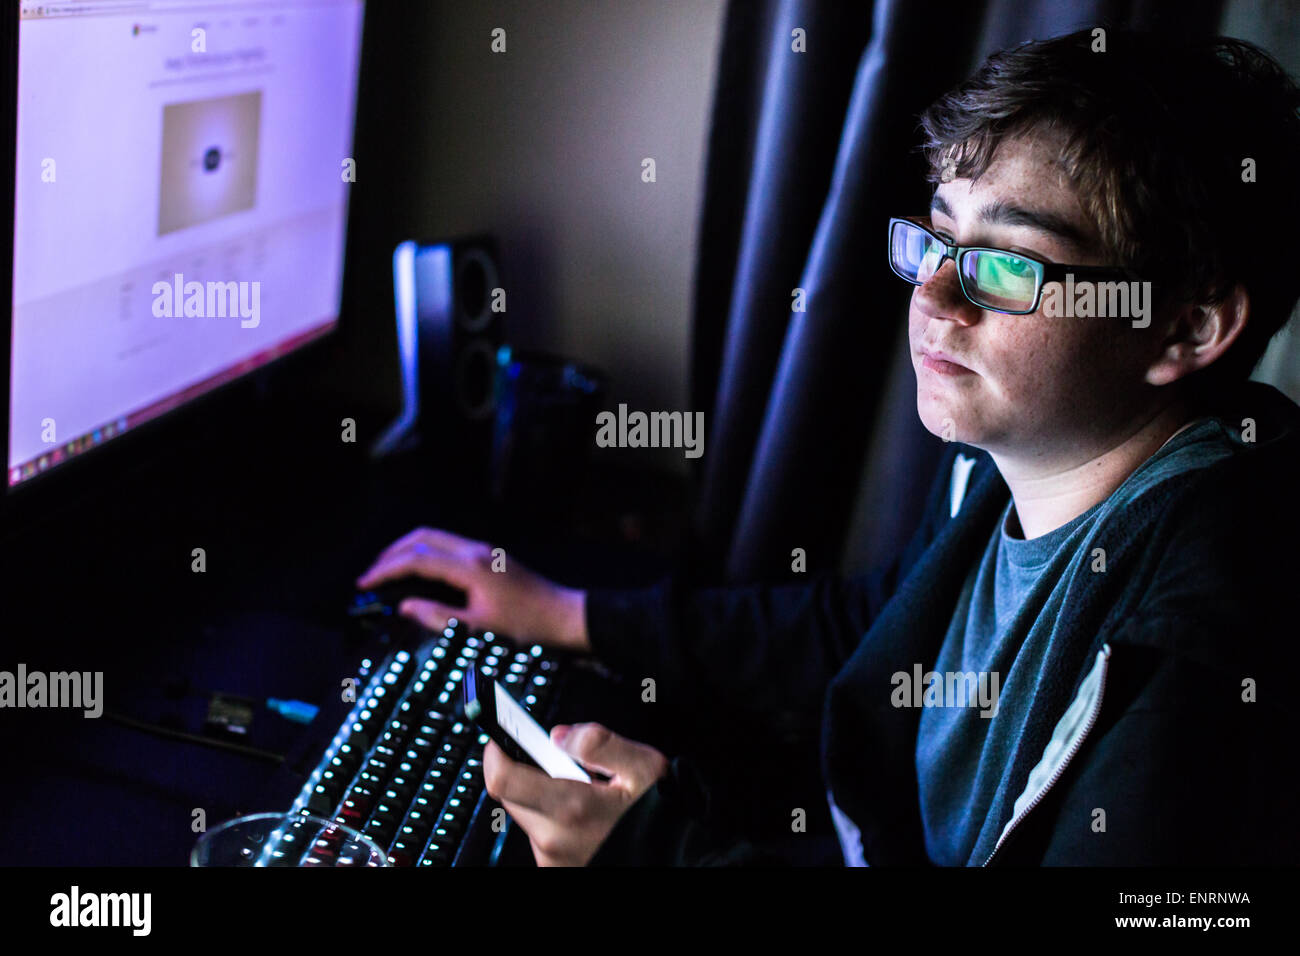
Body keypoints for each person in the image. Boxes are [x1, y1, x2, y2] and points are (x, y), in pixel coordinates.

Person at [358, 28, 1300, 865]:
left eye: (1008, 264)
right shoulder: (1013, 459)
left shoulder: (1204, 655)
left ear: (1187, 327)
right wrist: (569, 614)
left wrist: (653, 850)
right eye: (936, 239)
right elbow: (871, 627)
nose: (935, 299)